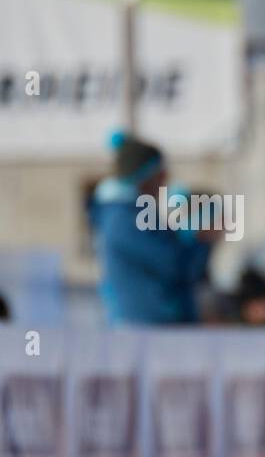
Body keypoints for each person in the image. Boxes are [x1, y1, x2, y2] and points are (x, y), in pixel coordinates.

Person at [88, 132, 215, 324]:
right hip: (148, 330)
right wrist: (201, 240)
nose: (165, 180)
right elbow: (175, 265)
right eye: (161, 173)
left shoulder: (133, 214)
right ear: (144, 177)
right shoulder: (126, 219)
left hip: (154, 326)